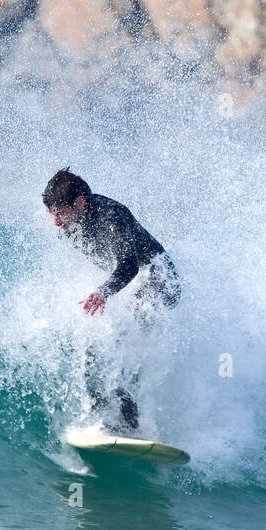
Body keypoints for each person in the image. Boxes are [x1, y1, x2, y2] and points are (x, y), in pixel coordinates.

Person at [43, 167, 179, 433]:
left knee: (123, 341)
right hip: (135, 283)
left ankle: (130, 424)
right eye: (51, 214)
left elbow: (129, 266)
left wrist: (103, 292)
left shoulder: (110, 215)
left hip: (160, 280)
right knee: (93, 343)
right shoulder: (72, 221)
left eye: (60, 213)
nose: (56, 223)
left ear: (81, 202)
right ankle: (100, 414)